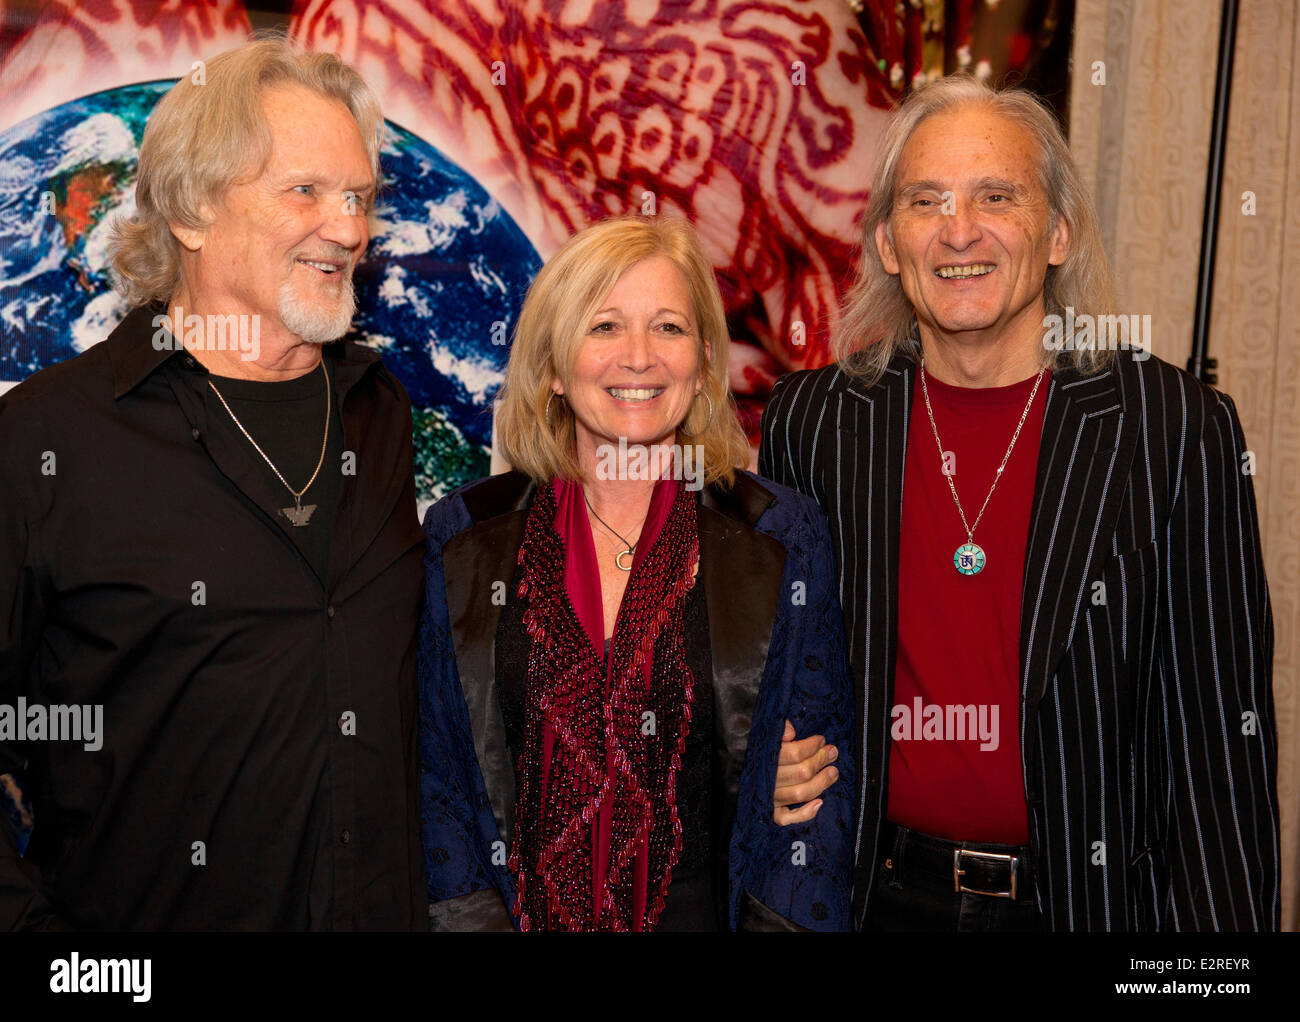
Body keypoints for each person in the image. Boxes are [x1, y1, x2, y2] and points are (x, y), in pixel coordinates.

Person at [760, 74, 1278, 931]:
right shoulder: (813, 424)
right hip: (869, 902)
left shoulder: (1174, 428)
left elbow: (1222, 750)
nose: (959, 230)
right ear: (889, 242)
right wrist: (757, 754)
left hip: (1094, 909)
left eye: (996, 196)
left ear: (1058, 232)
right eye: (926, 201)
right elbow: (766, 671)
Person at [0, 38, 426, 929]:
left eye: (359, 197)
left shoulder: (378, 413)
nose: (348, 228)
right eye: (305, 191)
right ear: (192, 210)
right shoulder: (49, 437)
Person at [418, 215, 855, 931]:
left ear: (705, 360)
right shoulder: (463, 537)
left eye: (669, 329)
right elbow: (439, 789)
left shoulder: (779, 535)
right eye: (605, 327)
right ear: (555, 366)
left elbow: (815, 805)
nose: (640, 357)